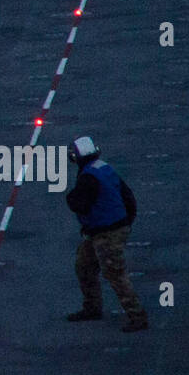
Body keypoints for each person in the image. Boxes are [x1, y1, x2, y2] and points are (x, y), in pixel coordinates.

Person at [65, 137, 149, 332]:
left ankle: (137, 316)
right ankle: (92, 308)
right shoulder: (104, 168)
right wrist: (126, 222)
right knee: (84, 266)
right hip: (106, 229)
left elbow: (79, 204)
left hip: (106, 232)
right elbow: (128, 196)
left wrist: (70, 197)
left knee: (114, 273)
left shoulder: (88, 178)